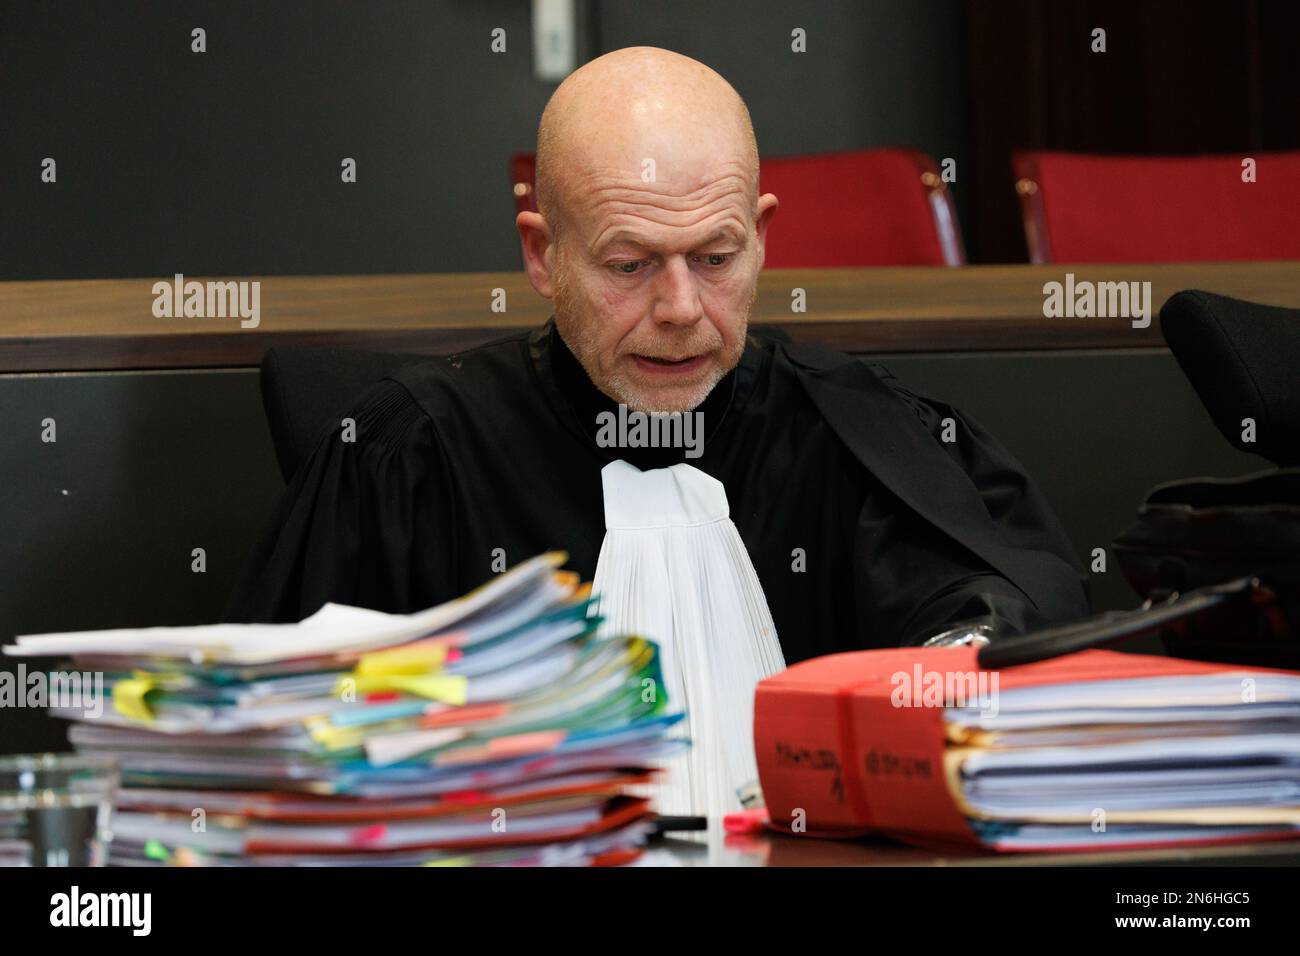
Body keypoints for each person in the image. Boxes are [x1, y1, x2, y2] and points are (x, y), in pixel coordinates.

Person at [226, 46, 1089, 664]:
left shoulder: (853, 433)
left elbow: (996, 607)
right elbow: (278, 737)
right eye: (628, 265)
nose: (681, 311)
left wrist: (957, 659)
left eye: (715, 259)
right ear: (542, 256)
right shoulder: (410, 457)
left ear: (761, 239)